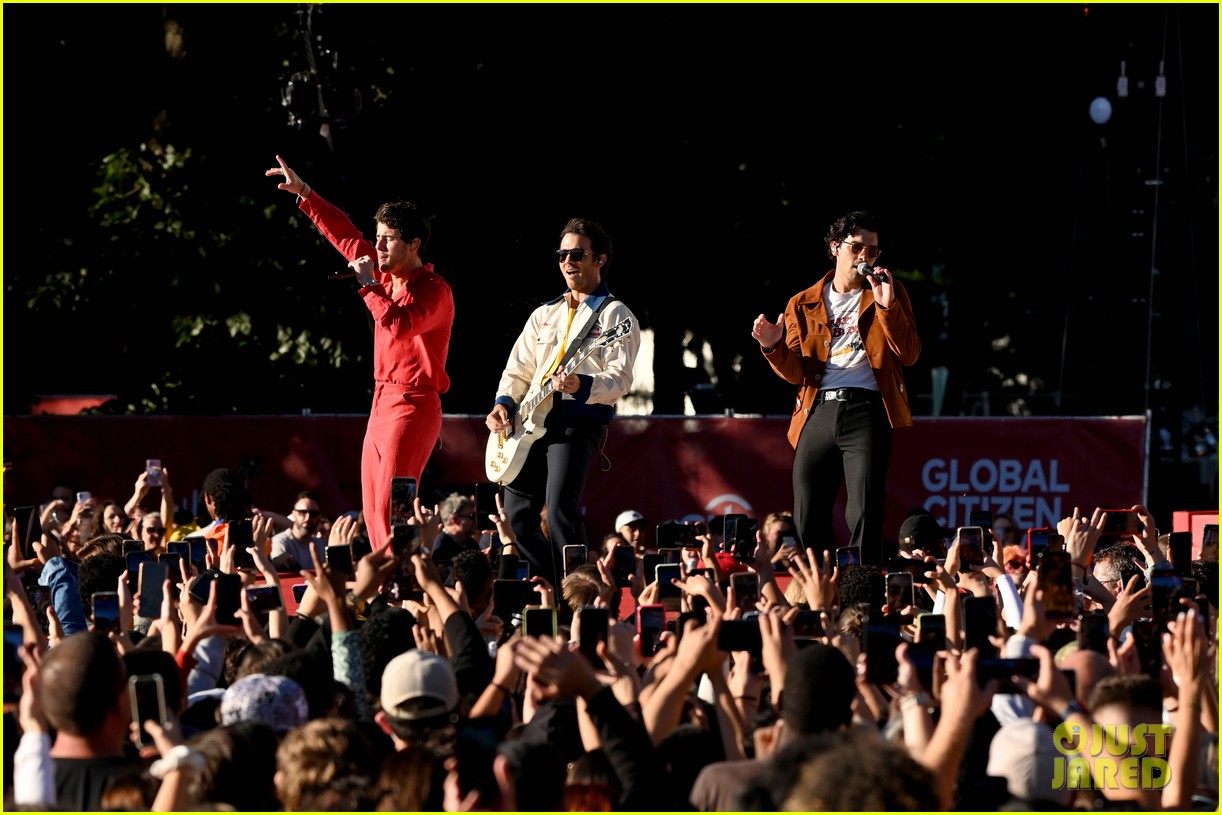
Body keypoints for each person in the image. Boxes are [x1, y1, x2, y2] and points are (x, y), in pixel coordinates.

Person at [266, 155, 455, 551]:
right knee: (372, 508)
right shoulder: (385, 274)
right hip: (382, 401)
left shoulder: (435, 290)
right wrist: (305, 193)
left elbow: (401, 326)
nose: (379, 245)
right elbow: (346, 237)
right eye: (379, 235)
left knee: (392, 503)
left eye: (387, 238)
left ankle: (401, 584)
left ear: (414, 244)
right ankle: (389, 582)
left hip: (414, 403)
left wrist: (370, 287)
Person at [752, 210, 920, 565]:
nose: (865, 256)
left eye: (872, 252)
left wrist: (888, 307)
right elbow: (797, 372)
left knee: (863, 513)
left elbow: (909, 354)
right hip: (818, 409)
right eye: (857, 247)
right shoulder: (803, 302)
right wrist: (772, 346)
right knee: (807, 513)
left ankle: (860, 593)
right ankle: (817, 595)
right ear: (835, 247)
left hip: (870, 409)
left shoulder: (888, 292)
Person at [485, 218, 640, 587]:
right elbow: (518, 369)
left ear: (599, 259)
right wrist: (503, 404)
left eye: (576, 254)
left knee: (558, 513)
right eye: (561, 254)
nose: (567, 261)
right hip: (527, 424)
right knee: (516, 515)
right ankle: (550, 587)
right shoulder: (543, 313)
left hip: (576, 423)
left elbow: (621, 379)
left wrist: (581, 384)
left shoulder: (617, 315)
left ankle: (579, 598)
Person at [269, 491, 326, 572]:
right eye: (302, 512)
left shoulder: (321, 544)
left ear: (319, 517)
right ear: (294, 514)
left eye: (313, 513)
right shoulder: (279, 541)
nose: (307, 518)